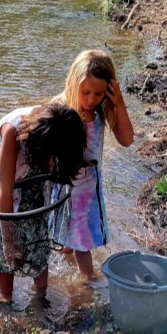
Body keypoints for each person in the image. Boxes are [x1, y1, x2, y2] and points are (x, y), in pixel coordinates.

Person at [0, 101, 87, 303]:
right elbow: (4, 192)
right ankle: (6, 296)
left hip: (34, 168)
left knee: (38, 230)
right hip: (1, 181)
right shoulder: (13, 132)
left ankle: (41, 294)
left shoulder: (61, 124)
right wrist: (9, 241)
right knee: (3, 243)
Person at [54, 49, 135, 282]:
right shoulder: (61, 107)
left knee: (75, 236)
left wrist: (118, 103)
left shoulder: (103, 109)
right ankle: (87, 282)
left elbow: (127, 140)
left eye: (99, 93)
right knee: (82, 241)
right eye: (85, 92)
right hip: (67, 185)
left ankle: (66, 268)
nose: (91, 99)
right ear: (73, 84)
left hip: (89, 188)